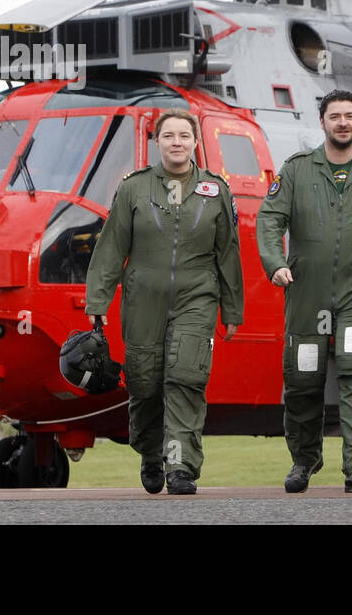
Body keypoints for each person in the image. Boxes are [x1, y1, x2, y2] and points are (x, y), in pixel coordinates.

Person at [85, 109, 243, 495]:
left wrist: (232, 309)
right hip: (142, 301)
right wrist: (97, 302)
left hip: (197, 297)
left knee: (185, 378)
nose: (177, 143)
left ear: (195, 143)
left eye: (184, 136)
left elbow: (228, 254)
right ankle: (151, 454)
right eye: (169, 136)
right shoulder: (134, 188)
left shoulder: (215, 190)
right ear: (157, 142)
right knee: (145, 383)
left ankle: (181, 466)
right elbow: (111, 249)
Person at [258, 90, 352, 494]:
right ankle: (304, 459)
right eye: (334, 116)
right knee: (302, 378)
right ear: (322, 123)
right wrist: (275, 263)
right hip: (306, 294)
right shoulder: (296, 171)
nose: (342, 123)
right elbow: (269, 220)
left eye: (349, 116)